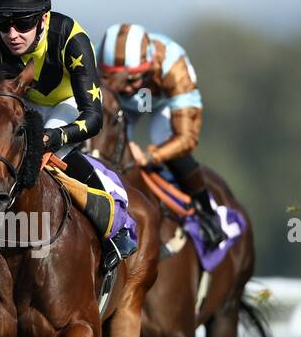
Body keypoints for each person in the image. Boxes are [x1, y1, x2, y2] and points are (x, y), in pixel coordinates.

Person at [0, 0, 136, 269]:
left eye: (23, 23)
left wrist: (54, 138)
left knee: (42, 153)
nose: (12, 34)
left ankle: (114, 226)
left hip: (67, 104)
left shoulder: (73, 39)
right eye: (3, 23)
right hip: (20, 107)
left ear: (44, 18)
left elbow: (93, 117)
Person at [97, 22, 226, 247]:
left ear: (149, 67)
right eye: (114, 79)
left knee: (163, 140)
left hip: (164, 101)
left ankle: (206, 212)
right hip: (119, 104)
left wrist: (149, 156)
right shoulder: (103, 63)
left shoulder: (174, 67)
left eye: (132, 79)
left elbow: (186, 138)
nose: (125, 87)